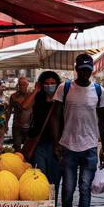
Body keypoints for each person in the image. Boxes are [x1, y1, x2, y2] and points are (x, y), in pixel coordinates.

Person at [51, 53, 104, 207]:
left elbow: (103, 121)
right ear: (76, 69)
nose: (85, 74)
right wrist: (56, 142)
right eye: (82, 70)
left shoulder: (99, 91)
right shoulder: (64, 88)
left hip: (90, 147)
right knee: (68, 188)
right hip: (68, 145)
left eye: (88, 71)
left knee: (85, 188)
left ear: (92, 71)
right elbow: (56, 117)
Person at [24, 70, 62, 200]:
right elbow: (24, 106)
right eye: (47, 83)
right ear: (42, 84)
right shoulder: (38, 99)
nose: (50, 86)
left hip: (56, 145)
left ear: (57, 84)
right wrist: (36, 91)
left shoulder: (61, 100)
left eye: (52, 83)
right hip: (38, 144)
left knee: (54, 179)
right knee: (40, 178)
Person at [8, 75, 35, 152]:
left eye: (24, 85)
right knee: (17, 146)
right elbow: (9, 110)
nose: (22, 87)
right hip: (17, 125)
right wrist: (6, 124)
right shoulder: (13, 97)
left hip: (29, 126)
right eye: (20, 85)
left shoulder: (32, 96)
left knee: (28, 147)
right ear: (18, 85)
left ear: (27, 85)